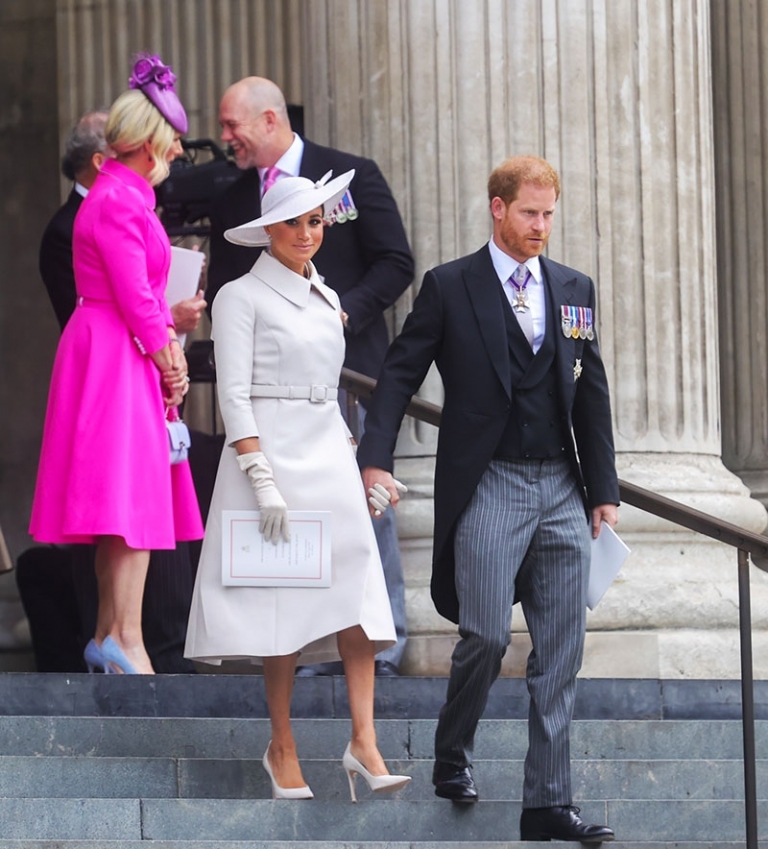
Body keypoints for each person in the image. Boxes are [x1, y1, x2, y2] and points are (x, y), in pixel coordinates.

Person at [357, 156, 619, 842]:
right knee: (488, 634)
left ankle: (547, 802)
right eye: (530, 213)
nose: (542, 227)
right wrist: (375, 456)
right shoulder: (449, 286)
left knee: (561, 647)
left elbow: (592, 393)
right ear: (498, 208)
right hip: (490, 479)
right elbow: (397, 374)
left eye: (550, 214)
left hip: (562, 484)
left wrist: (605, 491)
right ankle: (453, 746)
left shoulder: (574, 288)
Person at [185, 172, 411, 802]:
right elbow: (232, 395)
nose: (307, 234)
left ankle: (364, 741)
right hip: (272, 455)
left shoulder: (326, 294)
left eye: (316, 221)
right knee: (279, 606)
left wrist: (357, 462)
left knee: (361, 591)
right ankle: (280, 744)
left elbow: (331, 387)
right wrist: (259, 477)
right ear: (268, 230)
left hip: (327, 450)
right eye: (294, 222)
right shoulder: (239, 296)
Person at [206, 77, 414, 676]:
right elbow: (231, 289)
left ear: (269, 120)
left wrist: (336, 311)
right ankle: (304, 643)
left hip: (349, 377)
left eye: (232, 126)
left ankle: (383, 643)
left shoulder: (353, 172)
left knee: (364, 506)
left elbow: (395, 261)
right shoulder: (233, 199)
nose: (225, 139)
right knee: (291, 516)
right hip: (274, 396)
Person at [28, 54, 204, 675]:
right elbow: (136, 295)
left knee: (120, 502)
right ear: (150, 145)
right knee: (130, 500)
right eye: (174, 142)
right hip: (119, 352)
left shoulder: (117, 196)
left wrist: (165, 349)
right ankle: (124, 638)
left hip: (112, 348)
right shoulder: (124, 201)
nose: (180, 154)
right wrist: (168, 359)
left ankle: (113, 634)